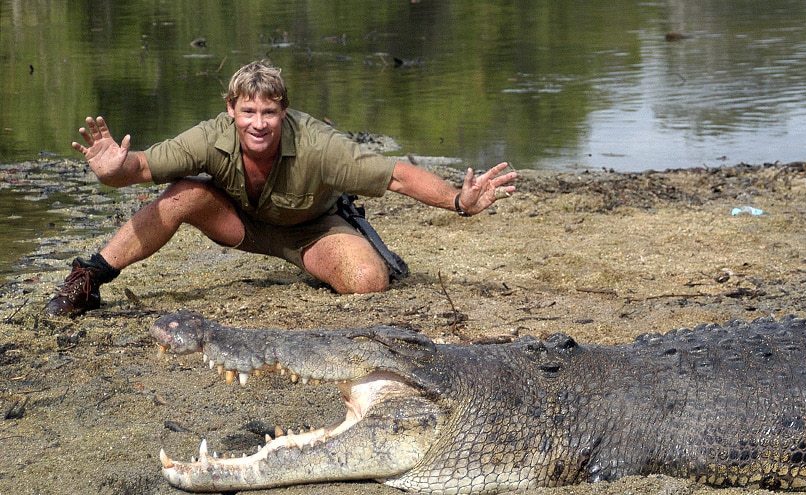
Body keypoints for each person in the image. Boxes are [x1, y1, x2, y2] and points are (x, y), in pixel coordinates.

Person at [43, 60, 517, 318]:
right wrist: (112, 171)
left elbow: (395, 174)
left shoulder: (319, 145)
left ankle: (336, 257)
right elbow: (143, 167)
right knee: (184, 191)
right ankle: (89, 279)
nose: (258, 123)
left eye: (269, 112)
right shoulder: (210, 136)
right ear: (231, 109)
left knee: (369, 283)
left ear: (284, 111)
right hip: (241, 223)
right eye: (248, 112)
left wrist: (458, 200)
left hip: (312, 231)